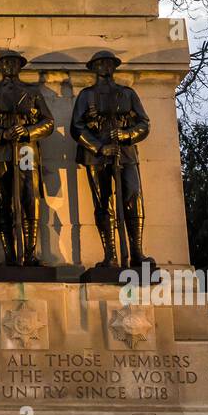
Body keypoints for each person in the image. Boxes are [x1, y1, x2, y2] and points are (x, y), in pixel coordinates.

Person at [70, 49, 152, 269]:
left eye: (108, 63)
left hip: (124, 153)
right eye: (100, 63)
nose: (105, 67)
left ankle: (137, 253)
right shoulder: (86, 96)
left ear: (114, 66)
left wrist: (127, 135)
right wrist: (99, 147)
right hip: (96, 156)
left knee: (133, 197)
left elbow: (144, 124)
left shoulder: (127, 94)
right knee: (103, 202)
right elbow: (76, 127)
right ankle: (111, 255)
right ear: (94, 67)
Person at [0, 50, 54, 266]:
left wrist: (27, 131)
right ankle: (9, 254)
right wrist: (1, 134)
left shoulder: (32, 92)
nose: (9, 66)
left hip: (26, 150)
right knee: (2, 201)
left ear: (20, 66)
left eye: (13, 62)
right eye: (5, 63)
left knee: (30, 198)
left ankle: (29, 253)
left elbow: (48, 123)